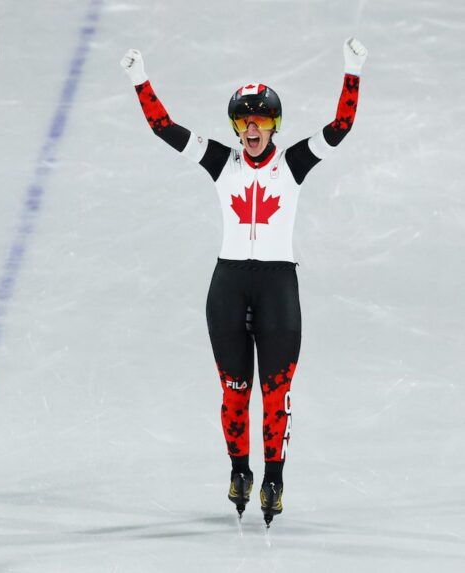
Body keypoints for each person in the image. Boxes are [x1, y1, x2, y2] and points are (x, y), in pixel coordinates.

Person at [120, 38, 367, 526]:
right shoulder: (221, 163)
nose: (251, 130)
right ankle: (240, 471)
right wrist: (139, 80)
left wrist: (352, 71)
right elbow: (163, 128)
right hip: (229, 285)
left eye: (261, 121)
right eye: (243, 122)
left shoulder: (292, 164)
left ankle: (273, 477)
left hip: (277, 287)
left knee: (276, 393)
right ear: (235, 127)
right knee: (235, 391)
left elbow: (340, 128)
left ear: (275, 126)